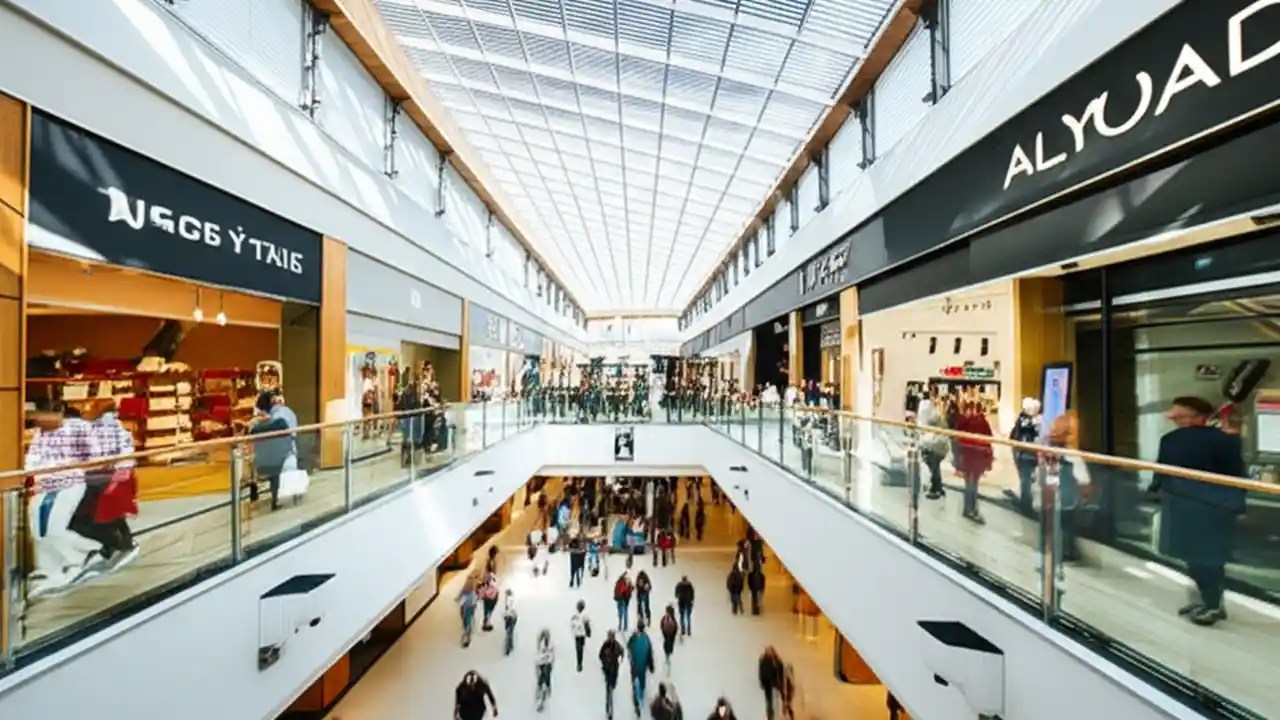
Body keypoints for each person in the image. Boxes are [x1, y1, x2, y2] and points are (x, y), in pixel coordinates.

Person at [1152, 396, 1247, 627]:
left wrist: (1154, 492)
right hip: (1215, 507)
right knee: (1209, 557)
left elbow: (1160, 473)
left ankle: (1212, 604)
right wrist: (1237, 504)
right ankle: (1212, 602)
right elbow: (1236, 475)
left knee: (1196, 557)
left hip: (1184, 505)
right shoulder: (1225, 441)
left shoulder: (1170, 440)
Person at [24, 404, 104, 596]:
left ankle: (81, 557)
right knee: (38, 530)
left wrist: (66, 466)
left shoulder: (77, 428)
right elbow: (34, 458)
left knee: (49, 530)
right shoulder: (42, 432)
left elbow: (94, 456)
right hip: (46, 485)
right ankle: (51, 569)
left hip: (62, 484)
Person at [87, 402, 139, 569]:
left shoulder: (99, 428)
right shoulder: (120, 429)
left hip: (108, 476)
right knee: (114, 511)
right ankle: (123, 542)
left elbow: (97, 455)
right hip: (123, 475)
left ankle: (114, 544)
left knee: (101, 511)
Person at [248, 390, 298, 511]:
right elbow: (292, 436)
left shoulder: (256, 426)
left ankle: (256, 494)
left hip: (262, 463)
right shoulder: (285, 416)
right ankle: (287, 495)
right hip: (284, 459)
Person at [955, 400, 994, 524]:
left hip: (970, 457)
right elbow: (988, 439)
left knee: (970, 484)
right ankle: (971, 509)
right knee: (972, 484)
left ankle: (969, 508)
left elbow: (958, 440)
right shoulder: (979, 422)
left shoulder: (964, 421)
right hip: (975, 457)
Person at [1007, 397, 1043, 516]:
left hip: (1025, 454)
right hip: (1027, 454)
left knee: (1026, 479)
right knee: (1026, 480)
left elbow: (1014, 437)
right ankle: (1026, 505)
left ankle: (1025, 503)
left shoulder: (1023, 420)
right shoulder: (1029, 422)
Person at [916, 389, 949, 500]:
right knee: (935, 466)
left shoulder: (936, 410)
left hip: (935, 443)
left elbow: (929, 421)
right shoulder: (939, 409)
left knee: (933, 465)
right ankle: (938, 486)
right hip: (938, 442)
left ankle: (935, 488)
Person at [628, 621, 656, 716]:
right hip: (643, 665)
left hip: (634, 665)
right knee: (642, 680)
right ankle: (641, 698)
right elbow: (650, 653)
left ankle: (637, 701)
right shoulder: (646, 639)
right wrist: (651, 665)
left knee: (634, 682)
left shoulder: (634, 637)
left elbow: (629, 646)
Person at [600, 629, 625, 719]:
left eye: (612, 637)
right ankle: (609, 710)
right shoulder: (606, 645)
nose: (610, 638)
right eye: (609, 636)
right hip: (608, 671)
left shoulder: (616, 646)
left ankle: (609, 707)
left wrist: (620, 659)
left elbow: (622, 652)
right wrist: (604, 663)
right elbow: (600, 655)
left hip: (614, 670)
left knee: (611, 687)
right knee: (609, 690)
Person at [758, 646, 784, 720]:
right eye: (768, 651)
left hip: (774, 684)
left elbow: (780, 671)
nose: (769, 653)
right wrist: (761, 682)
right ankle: (770, 716)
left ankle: (773, 716)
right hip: (768, 684)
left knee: (774, 701)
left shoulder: (775, 660)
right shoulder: (763, 660)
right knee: (769, 701)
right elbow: (761, 672)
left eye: (770, 651)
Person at [534, 628, 555, 711]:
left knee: (543, 679)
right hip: (543, 664)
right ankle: (543, 692)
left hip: (543, 664)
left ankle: (542, 693)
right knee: (544, 679)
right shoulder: (543, 644)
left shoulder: (545, 644)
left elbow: (552, 656)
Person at [457, 573, 479, 647]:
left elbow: (461, 602)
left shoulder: (465, 592)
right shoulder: (472, 592)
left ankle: (467, 634)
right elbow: (474, 602)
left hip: (465, 608)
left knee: (466, 621)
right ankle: (468, 633)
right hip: (469, 608)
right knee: (468, 621)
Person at [571, 599, 592, 672]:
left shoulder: (584, 615)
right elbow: (572, 624)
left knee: (580, 649)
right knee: (579, 649)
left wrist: (588, 632)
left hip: (581, 634)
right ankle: (579, 663)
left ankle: (579, 662)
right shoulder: (576, 615)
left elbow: (587, 625)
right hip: (578, 634)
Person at [659, 604, 678, 671]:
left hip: (666, 633)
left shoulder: (665, 617)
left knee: (666, 643)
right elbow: (676, 626)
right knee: (670, 643)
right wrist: (674, 634)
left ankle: (666, 654)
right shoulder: (673, 618)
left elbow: (661, 624)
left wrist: (663, 632)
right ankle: (669, 653)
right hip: (671, 634)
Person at [502, 589, 518, 656]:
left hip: (509, 617)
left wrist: (505, 615)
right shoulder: (513, 599)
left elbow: (509, 608)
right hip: (513, 616)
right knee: (511, 631)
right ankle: (511, 645)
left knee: (508, 630)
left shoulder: (508, 599)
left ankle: (508, 646)